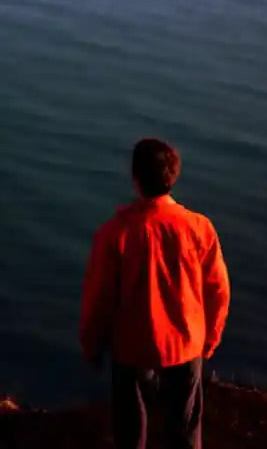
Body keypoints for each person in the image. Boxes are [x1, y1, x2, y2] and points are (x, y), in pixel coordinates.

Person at [80, 138, 231, 449]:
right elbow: (218, 289)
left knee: (130, 432)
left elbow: (100, 297)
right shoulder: (199, 228)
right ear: (173, 177)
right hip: (186, 344)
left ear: (136, 178)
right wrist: (210, 338)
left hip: (133, 347)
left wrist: (92, 343)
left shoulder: (114, 233)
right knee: (184, 430)